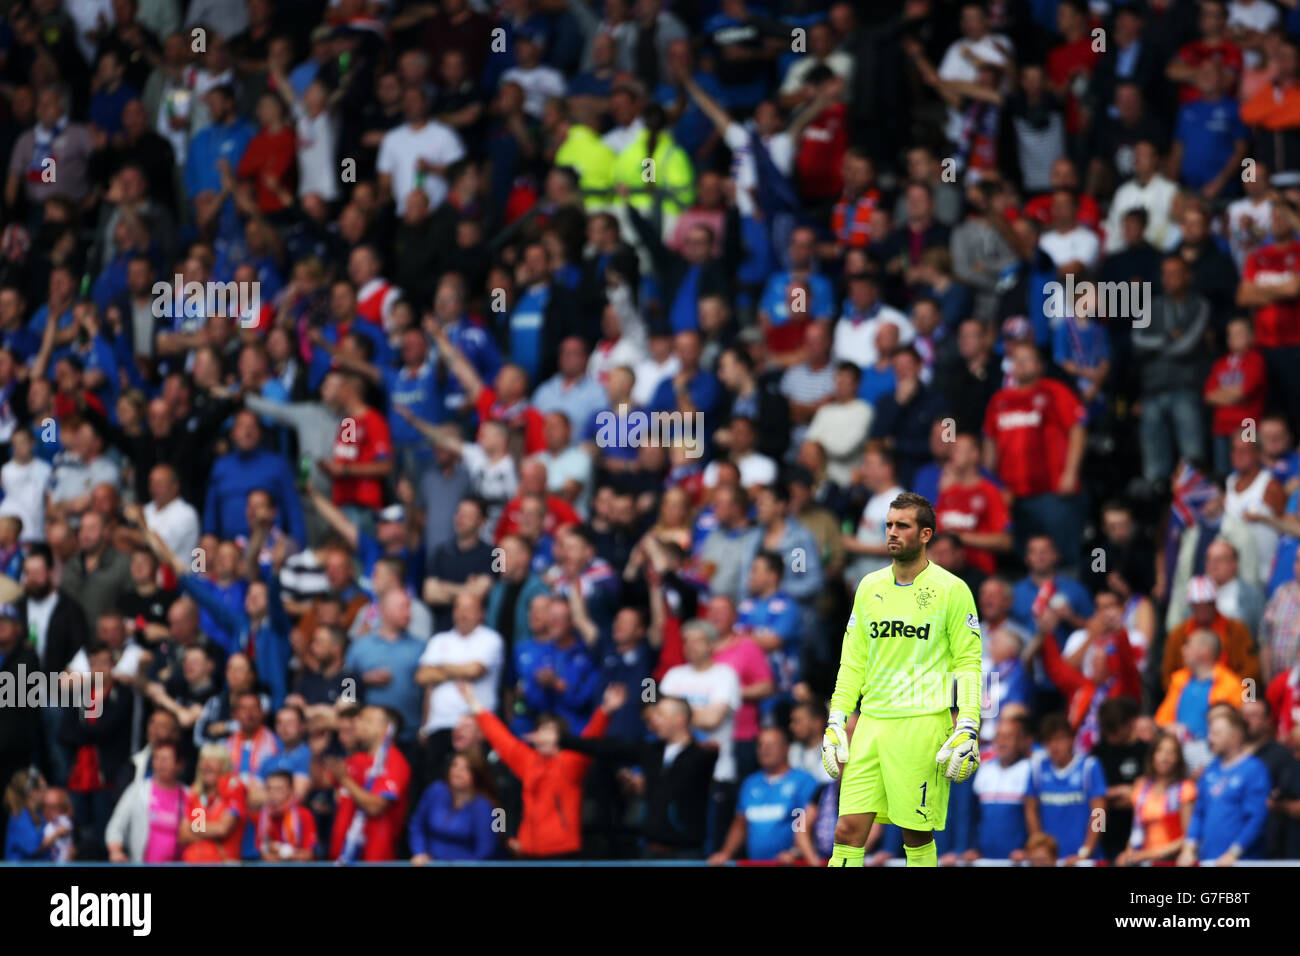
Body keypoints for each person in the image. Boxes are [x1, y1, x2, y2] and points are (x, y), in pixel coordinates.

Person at [822, 492, 982, 868]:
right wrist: (836, 720)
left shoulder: (952, 590)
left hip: (923, 724)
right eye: (889, 525)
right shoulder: (868, 587)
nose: (892, 533)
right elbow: (852, 662)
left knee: (915, 833)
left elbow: (969, 661)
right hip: (872, 726)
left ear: (926, 534)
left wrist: (970, 722)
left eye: (902, 526)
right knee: (846, 830)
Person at [459, 679, 617, 859]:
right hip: (529, 851)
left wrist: (605, 711)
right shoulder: (529, 761)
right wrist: (474, 703)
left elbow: (590, 738)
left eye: (549, 732)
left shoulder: (571, 762)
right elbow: (500, 737)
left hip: (562, 852)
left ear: (561, 738)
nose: (543, 737)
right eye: (541, 731)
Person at [708, 726, 821, 865]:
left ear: (786, 748)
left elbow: (805, 822)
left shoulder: (804, 781)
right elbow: (740, 824)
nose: (765, 749)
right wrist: (725, 854)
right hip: (755, 863)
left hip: (791, 864)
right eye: (760, 745)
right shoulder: (750, 783)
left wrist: (796, 852)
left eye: (771, 745)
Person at [1177, 708, 1270, 864]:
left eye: (1216, 734)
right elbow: (1199, 813)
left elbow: (1256, 817)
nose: (1210, 739)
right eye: (1210, 733)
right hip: (1208, 859)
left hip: (1240, 861)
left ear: (1235, 737)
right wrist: (1189, 847)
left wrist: (1235, 851)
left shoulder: (1254, 769)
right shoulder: (1210, 770)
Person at [327, 705, 411, 863]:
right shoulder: (356, 760)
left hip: (375, 860)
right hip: (342, 858)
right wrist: (318, 746)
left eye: (367, 720)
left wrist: (345, 780)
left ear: (386, 729)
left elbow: (375, 806)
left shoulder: (394, 761)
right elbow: (321, 781)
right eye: (358, 719)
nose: (357, 723)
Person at [1025, 714, 1108, 864]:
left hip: (1082, 860)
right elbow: (1030, 809)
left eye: (1059, 739)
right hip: (1049, 861)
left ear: (1071, 739)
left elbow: (1100, 812)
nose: (1054, 746)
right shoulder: (1037, 768)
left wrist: (1086, 851)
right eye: (1048, 740)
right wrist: (1038, 849)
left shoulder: (1089, 767)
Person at [105, 741, 189, 863]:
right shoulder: (137, 790)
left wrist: (192, 832)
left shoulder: (191, 795)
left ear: (179, 764)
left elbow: (201, 832)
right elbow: (116, 826)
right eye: (156, 758)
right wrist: (115, 850)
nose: (159, 764)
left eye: (165, 760)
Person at [408, 751, 499, 863]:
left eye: (465, 768)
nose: (457, 771)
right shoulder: (436, 790)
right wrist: (419, 852)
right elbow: (417, 825)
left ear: (476, 774)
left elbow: (485, 850)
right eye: (454, 765)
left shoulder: (484, 807)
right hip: (428, 862)